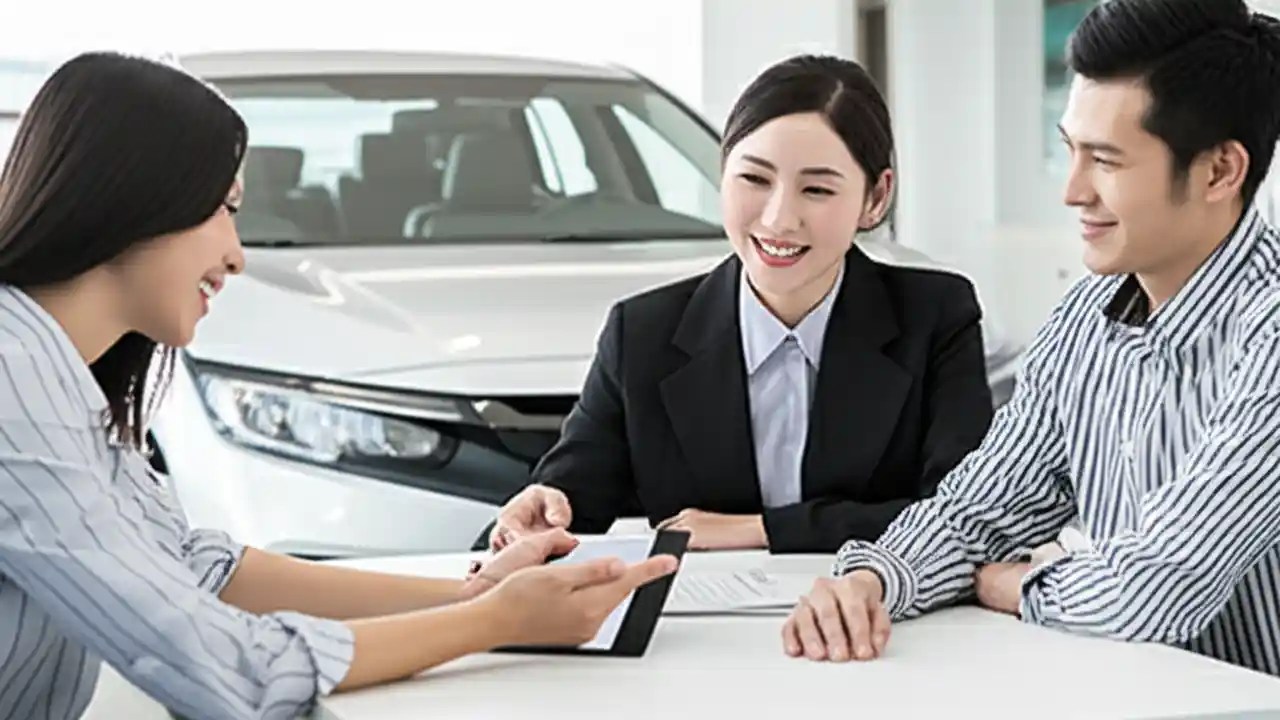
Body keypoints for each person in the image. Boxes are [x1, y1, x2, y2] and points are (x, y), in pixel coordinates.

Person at [0, 52, 676, 720]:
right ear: (131, 200)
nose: (235, 254)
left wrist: (473, 596)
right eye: (222, 210)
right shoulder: (14, 383)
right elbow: (227, 669)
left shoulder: (47, 371)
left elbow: (194, 566)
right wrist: (494, 622)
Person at [782, 0, 1280, 676]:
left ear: (1220, 171)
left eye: (1106, 160)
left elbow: (1160, 587)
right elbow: (977, 510)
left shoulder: (1269, 332)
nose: (1072, 190)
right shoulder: (1084, 320)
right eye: (1069, 149)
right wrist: (872, 582)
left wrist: (1007, 585)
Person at [489, 54, 995, 554]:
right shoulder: (643, 332)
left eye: (816, 189)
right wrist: (545, 509)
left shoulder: (934, 317)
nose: (779, 219)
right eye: (754, 179)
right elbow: (575, 490)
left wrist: (763, 529)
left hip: (880, 616)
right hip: (701, 628)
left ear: (876, 198)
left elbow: (962, 513)